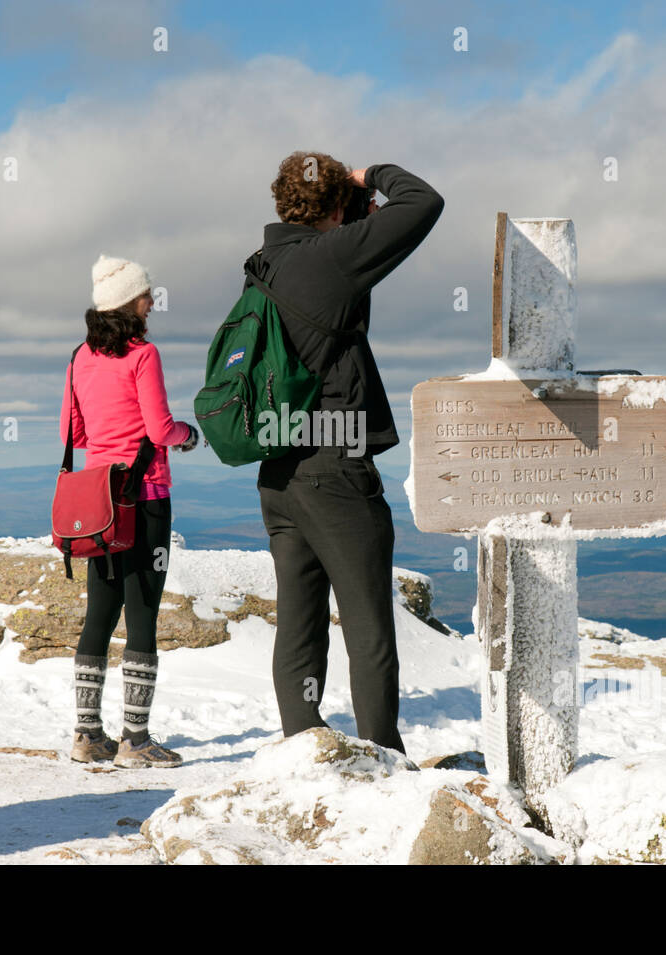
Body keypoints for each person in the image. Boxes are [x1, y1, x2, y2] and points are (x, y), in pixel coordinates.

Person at [252, 153, 443, 754]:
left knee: (301, 621)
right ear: (336, 204)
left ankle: (304, 749)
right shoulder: (330, 258)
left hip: (280, 470)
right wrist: (373, 174)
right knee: (367, 622)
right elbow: (424, 203)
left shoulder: (266, 263)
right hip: (335, 469)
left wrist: (349, 202)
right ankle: (384, 756)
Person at [61, 254, 199, 768]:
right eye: (147, 294)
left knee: (99, 612)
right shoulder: (145, 355)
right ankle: (135, 743)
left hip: (98, 502)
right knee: (142, 616)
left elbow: (72, 435)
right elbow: (161, 430)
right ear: (127, 303)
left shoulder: (79, 356)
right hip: (146, 498)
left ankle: (86, 736)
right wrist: (191, 435)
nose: (152, 301)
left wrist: (106, 438)